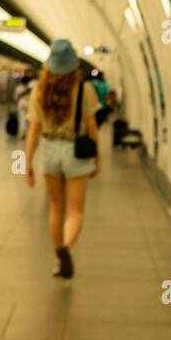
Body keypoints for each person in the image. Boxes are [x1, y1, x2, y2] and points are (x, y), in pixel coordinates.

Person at [24, 40, 101, 279]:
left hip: (49, 150)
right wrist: (98, 157)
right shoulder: (84, 89)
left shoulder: (39, 90)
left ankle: (59, 258)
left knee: (56, 208)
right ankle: (67, 246)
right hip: (75, 151)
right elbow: (92, 127)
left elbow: (34, 129)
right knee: (75, 210)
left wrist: (27, 163)